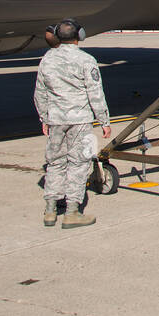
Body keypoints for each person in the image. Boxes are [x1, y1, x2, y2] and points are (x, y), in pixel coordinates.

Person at [33, 19, 112, 228]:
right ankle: (72, 212)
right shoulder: (86, 60)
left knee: (55, 162)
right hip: (80, 121)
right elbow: (95, 92)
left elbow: (40, 92)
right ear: (80, 35)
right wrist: (104, 120)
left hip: (56, 119)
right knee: (79, 163)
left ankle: (50, 211)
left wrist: (44, 118)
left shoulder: (47, 59)